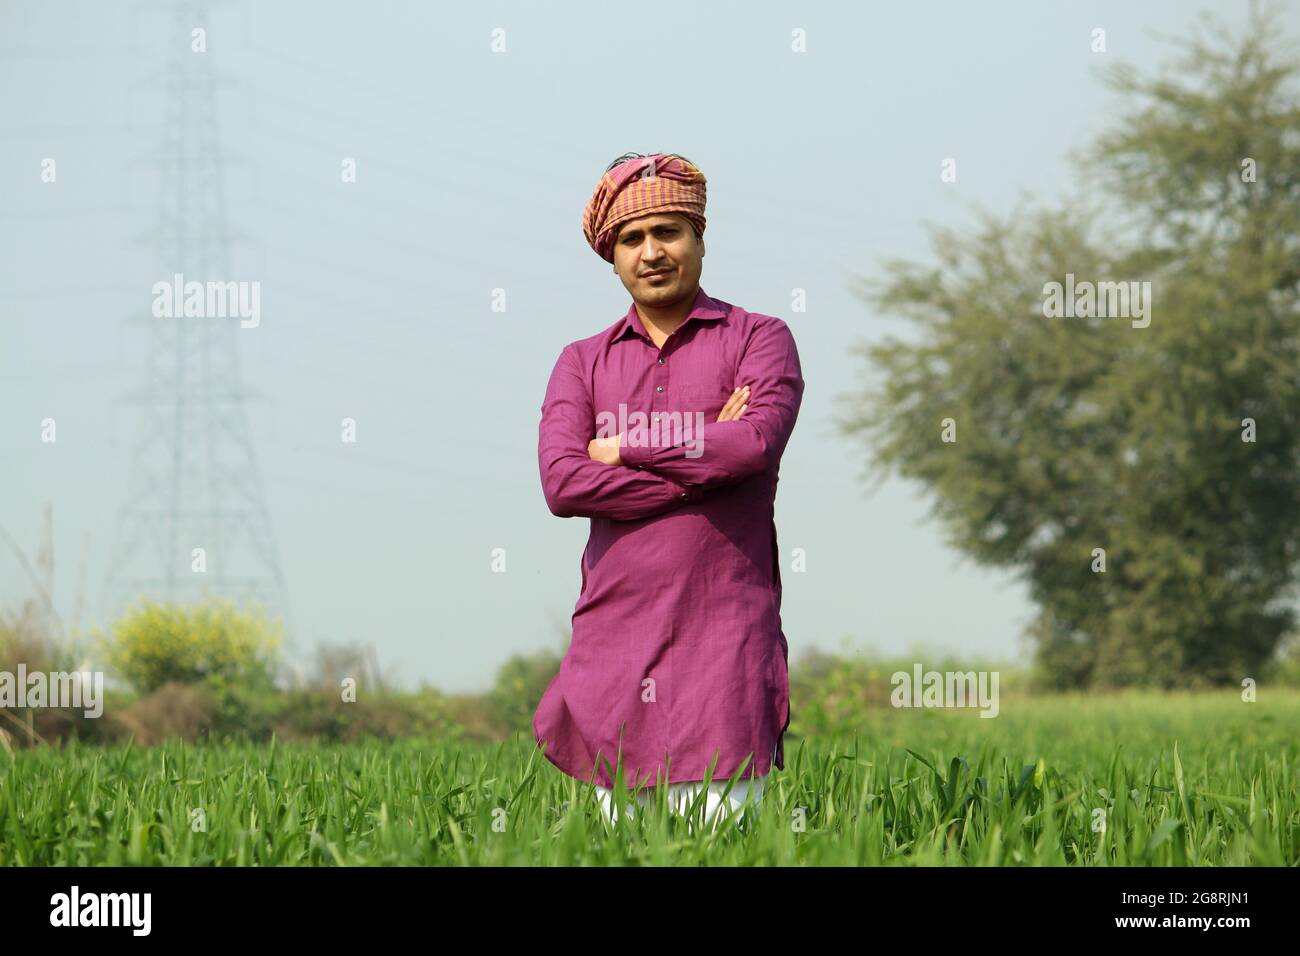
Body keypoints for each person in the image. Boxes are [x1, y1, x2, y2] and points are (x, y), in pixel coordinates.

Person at [533, 152, 804, 830]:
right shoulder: (582, 360)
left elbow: (753, 445)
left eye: (669, 232)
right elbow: (563, 483)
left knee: (727, 834)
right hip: (613, 640)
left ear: (700, 238)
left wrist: (624, 447)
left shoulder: (760, 340)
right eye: (632, 238)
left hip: (724, 643)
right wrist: (707, 466)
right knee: (616, 840)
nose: (652, 252)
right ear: (612, 254)